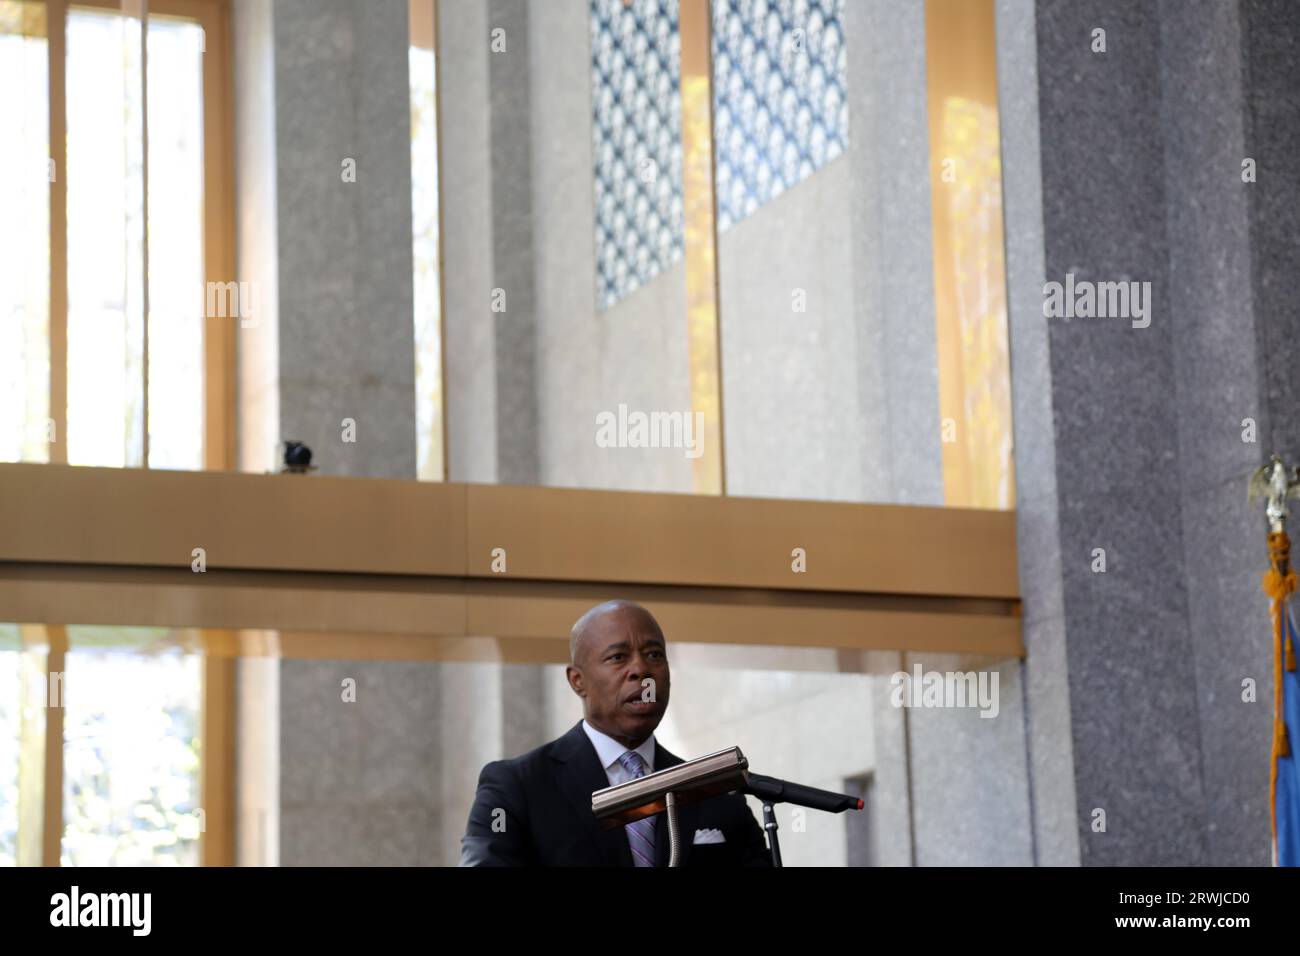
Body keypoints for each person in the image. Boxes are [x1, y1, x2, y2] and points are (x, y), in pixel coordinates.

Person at [459, 599, 772, 866]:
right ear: (577, 680)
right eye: (618, 657)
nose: (641, 670)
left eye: (654, 655)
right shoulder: (516, 788)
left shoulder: (716, 793)